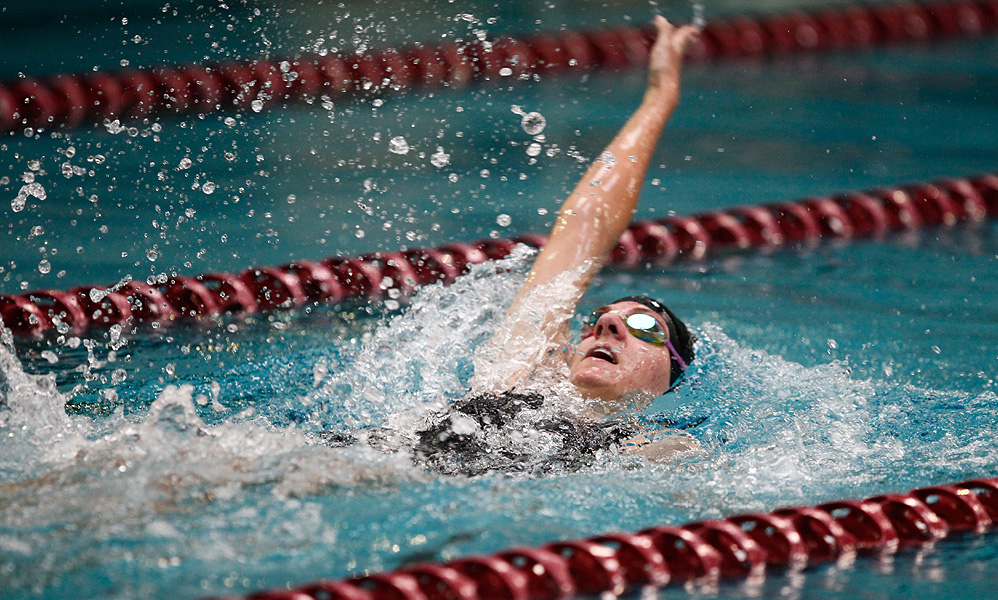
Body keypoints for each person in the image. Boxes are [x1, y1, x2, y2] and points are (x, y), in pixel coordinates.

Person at [325, 17, 700, 472]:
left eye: (644, 326)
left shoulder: (653, 453)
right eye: (598, 319)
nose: (607, 328)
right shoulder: (519, 374)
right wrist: (659, 97)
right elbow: (585, 223)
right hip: (344, 459)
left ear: (670, 377)